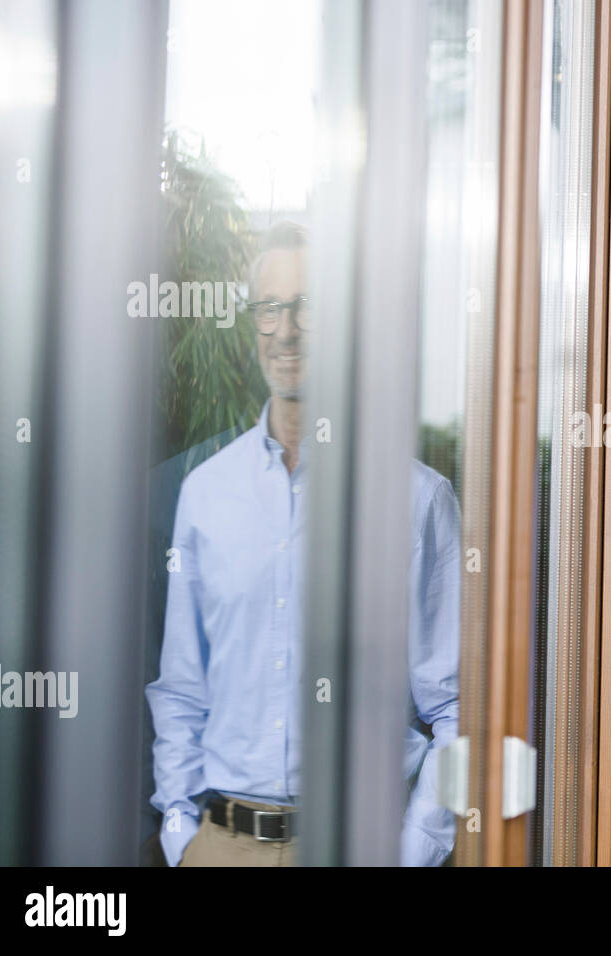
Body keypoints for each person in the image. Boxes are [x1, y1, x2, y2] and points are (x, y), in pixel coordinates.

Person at [146, 221, 460, 866]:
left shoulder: (417, 501)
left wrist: (410, 852)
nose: (286, 330)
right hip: (221, 848)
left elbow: (459, 708)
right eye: (269, 307)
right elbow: (180, 690)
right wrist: (182, 835)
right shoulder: (204, 494)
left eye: (308, 306)